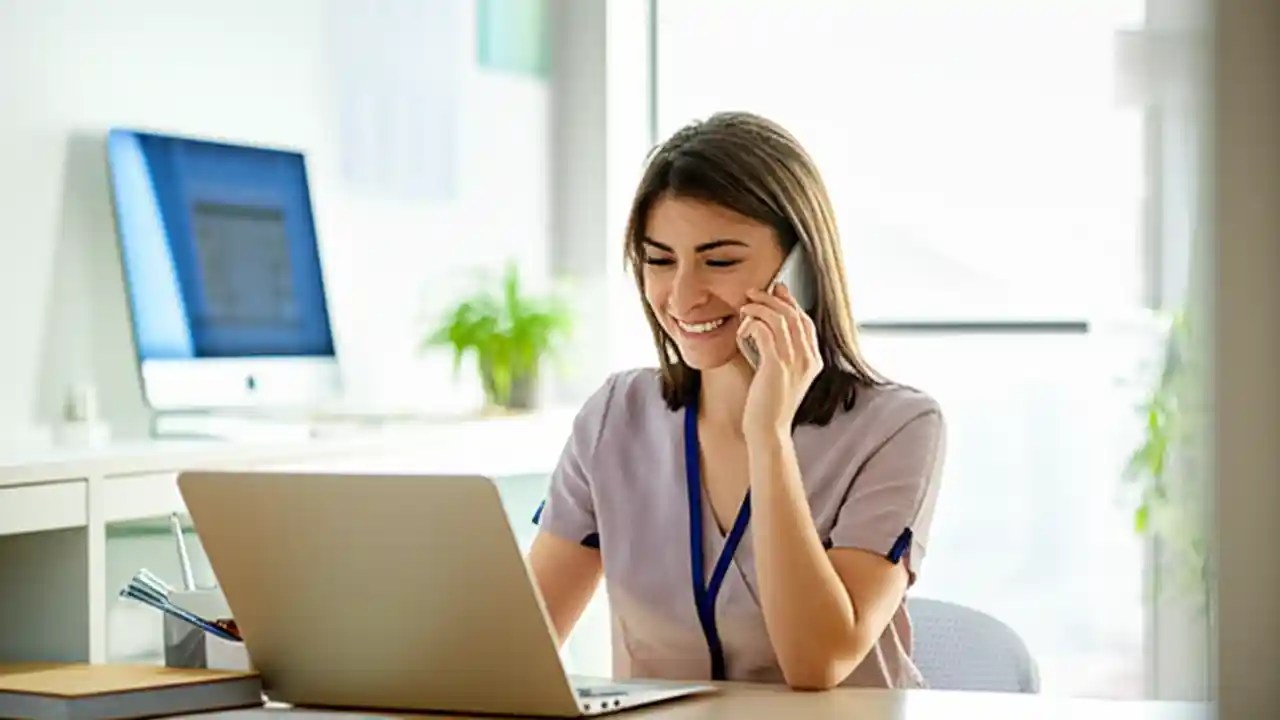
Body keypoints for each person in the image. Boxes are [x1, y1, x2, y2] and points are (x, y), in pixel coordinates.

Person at [527, 111, 946, 691]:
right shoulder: (615, 417)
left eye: (719, 261)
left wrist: (769, 434)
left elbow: (817, 660)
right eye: (660, 260)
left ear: (798, 270)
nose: (683, 296)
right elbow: (520, 646)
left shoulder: (898, 427)